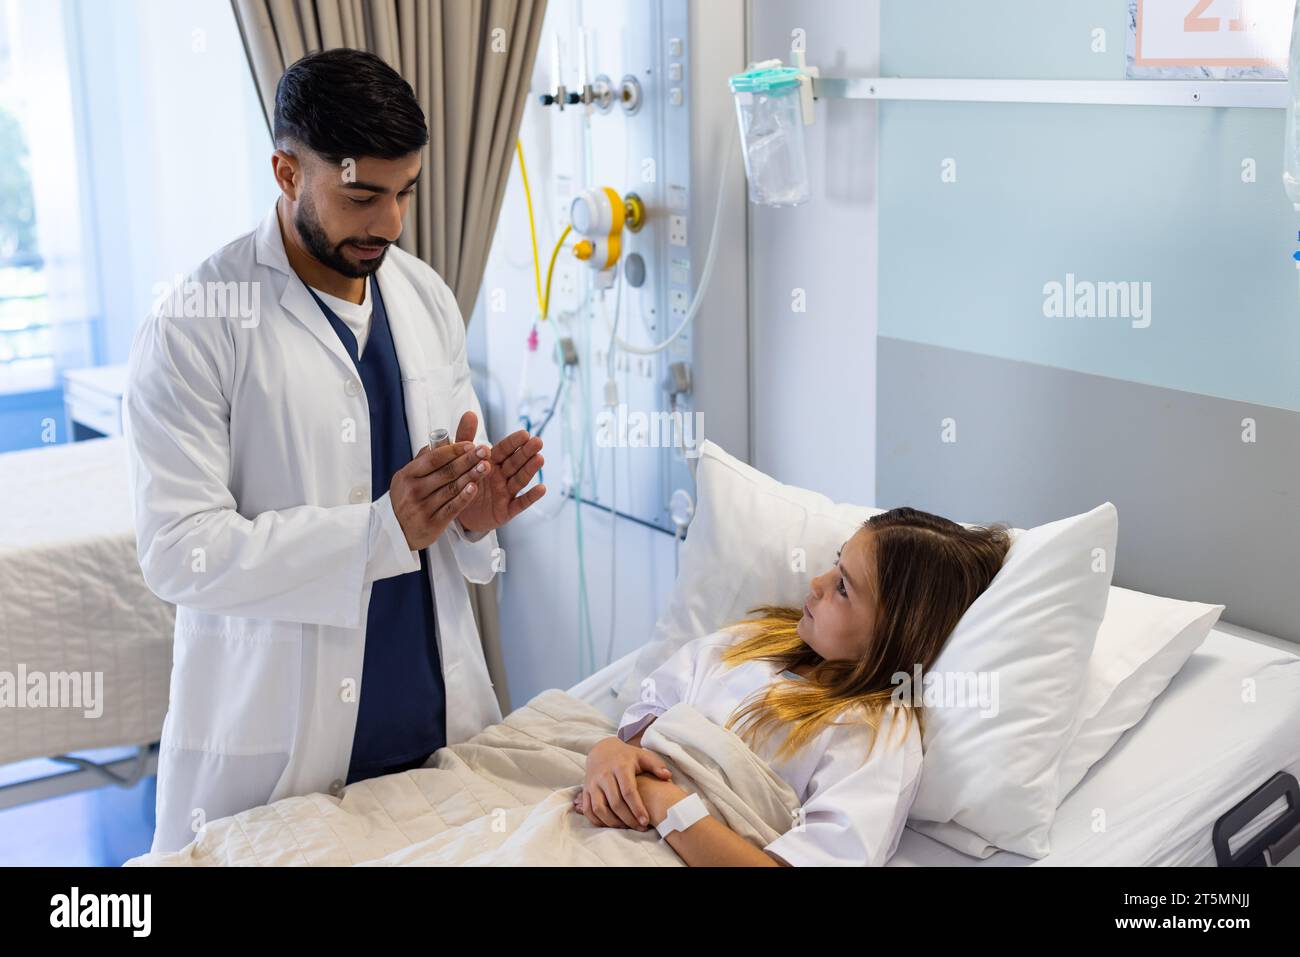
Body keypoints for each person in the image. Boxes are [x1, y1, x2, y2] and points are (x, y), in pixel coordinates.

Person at [125, 48, 545, 853]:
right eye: (362, 195)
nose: (388, 223)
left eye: (404, 194)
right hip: (281, 764)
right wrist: (381, 530)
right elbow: (179, 552)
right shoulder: (195, 327)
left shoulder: (423, 296)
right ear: (287, 172)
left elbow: (448, 508)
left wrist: (475, 516)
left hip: (435, 744)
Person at [575, 507, 1011, 866]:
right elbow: (646, 716)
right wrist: (608, 753)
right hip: (608, 807)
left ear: (893, 634)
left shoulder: (874, 734)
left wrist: (664, 803)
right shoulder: (751, 644)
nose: (817, 583)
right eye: (835, 564)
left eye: (843, 588)